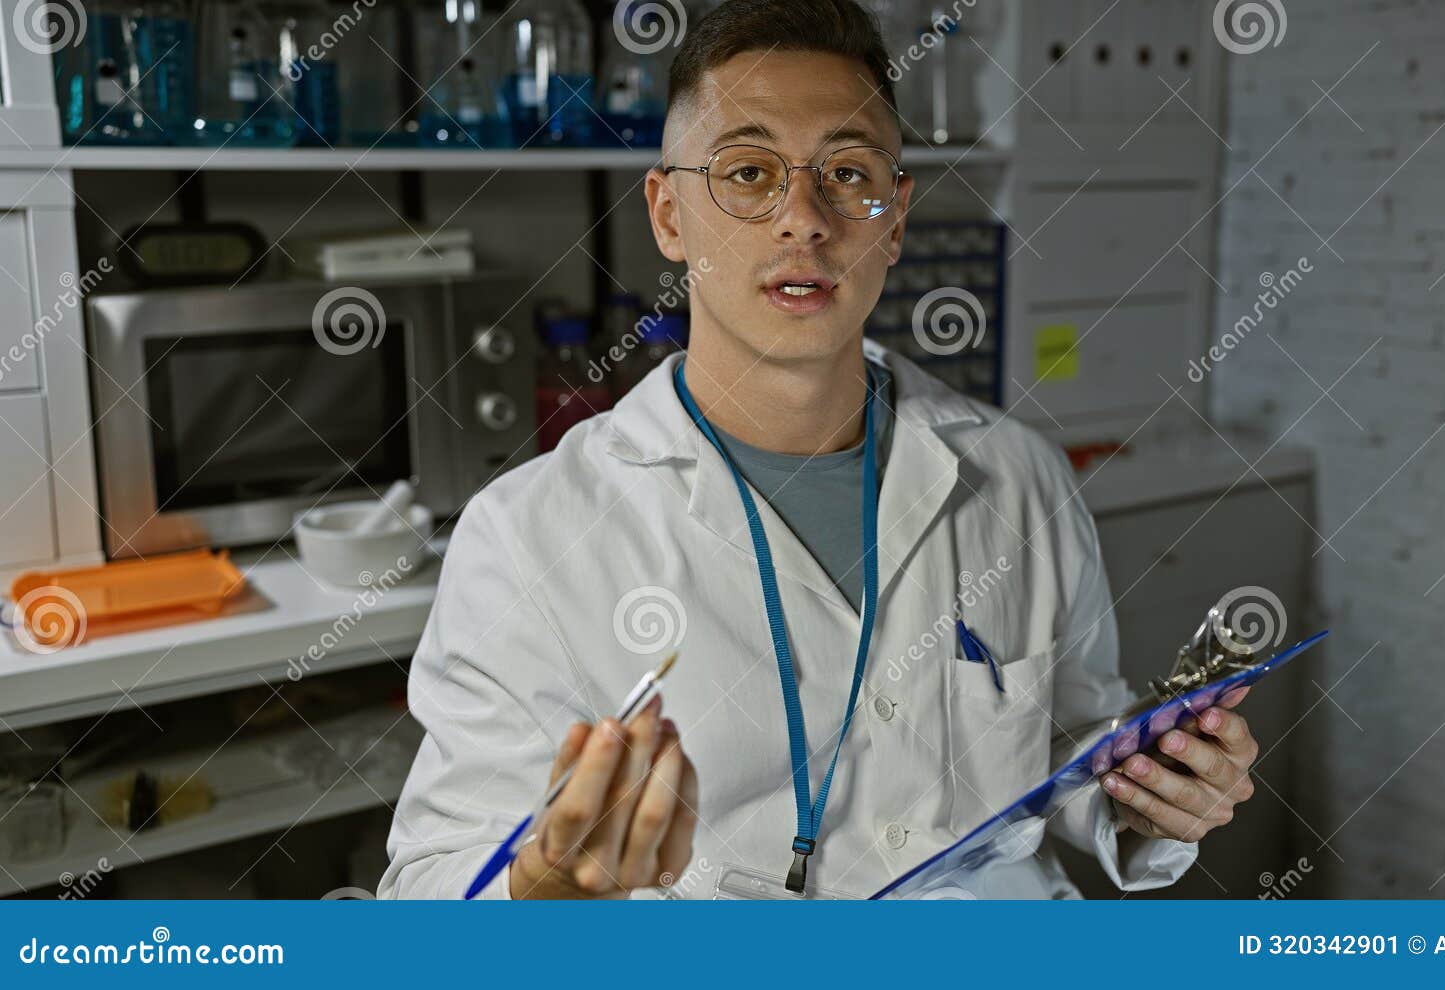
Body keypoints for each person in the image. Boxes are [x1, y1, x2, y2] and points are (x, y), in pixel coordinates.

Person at [379, 0, 1259, 901]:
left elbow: (1069, 738)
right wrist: (546, 895)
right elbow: (431, 884)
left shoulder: (1020, 473)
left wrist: (1144, 795)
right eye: (749, 172)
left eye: (848, 172)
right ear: (669, 214)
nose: (803, 217)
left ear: (897, 220)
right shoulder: (526, 535)